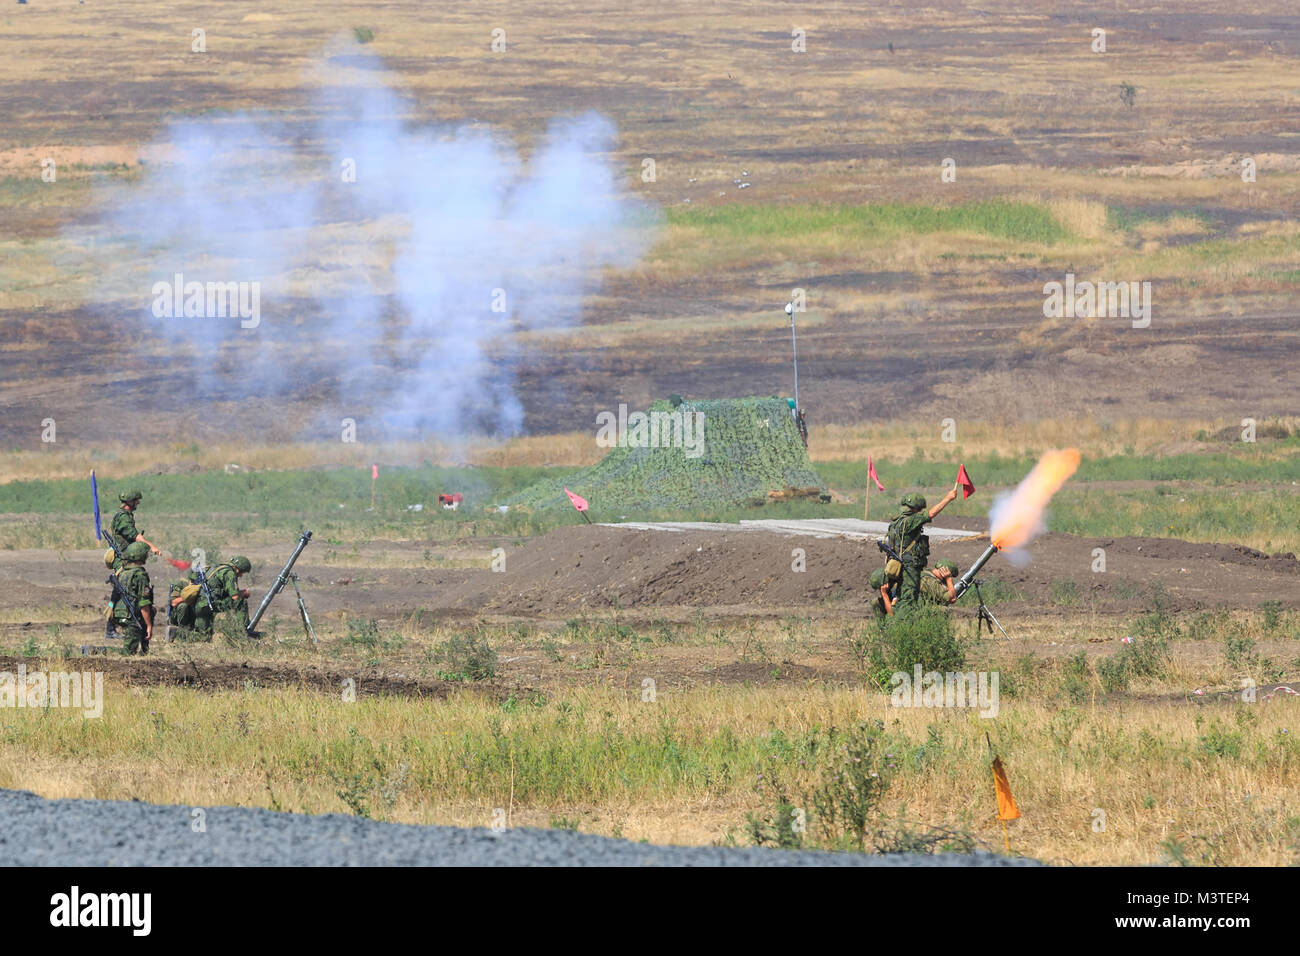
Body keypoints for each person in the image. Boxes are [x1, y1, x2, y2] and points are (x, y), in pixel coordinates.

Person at [887, 481, 960, 612]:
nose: (920, 512)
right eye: (919, 509)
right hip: (909, 568)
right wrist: (948, 498)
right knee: (908, 601)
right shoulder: (910, 521)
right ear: (915, 508)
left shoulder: (896, 522)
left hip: (899, 566)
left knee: (903, 596)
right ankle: (901, 626)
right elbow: (931, 514)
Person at [111, 541, 154, 655]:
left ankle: (143, 652)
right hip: (132, 616)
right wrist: (149, 625)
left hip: (121, 613)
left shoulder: (124, 572)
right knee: (128, 652)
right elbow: (143, 603)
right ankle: (98, 650)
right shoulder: (140, 575)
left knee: (131, 647)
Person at [194, 556, 254, 635]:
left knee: (203, 635)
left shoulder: (217, 568)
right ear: (238, 569)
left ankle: (178, 634)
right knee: (241, 602)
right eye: (242, 572)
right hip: (210, 605)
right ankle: (243, 632)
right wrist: (244, 593)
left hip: (199, 605)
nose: (241, 575)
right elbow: (235, 597)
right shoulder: (229, 573)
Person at [110, 490, 161, 570]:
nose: (138, 502)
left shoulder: (124, 515)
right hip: (122, 559)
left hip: (125, 557)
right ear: (130, 501)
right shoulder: (124, 518)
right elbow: (136, 537)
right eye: (136, 500)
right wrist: (152, 547)